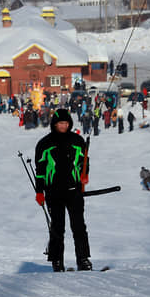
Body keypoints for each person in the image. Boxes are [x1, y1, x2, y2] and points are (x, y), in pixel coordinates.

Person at [34, 108, 92, 272]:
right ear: (54, 124)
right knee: (57, 228)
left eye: (66, 123)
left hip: (74, 191)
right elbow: (40, 171)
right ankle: (57, 261)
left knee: (79, 227)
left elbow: (84, 162)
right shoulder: (44, 143)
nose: (64, 126)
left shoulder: (77, 140)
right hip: (53, 192)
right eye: (61, 123)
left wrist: (85, 175)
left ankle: (83, 259)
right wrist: (39, 191)